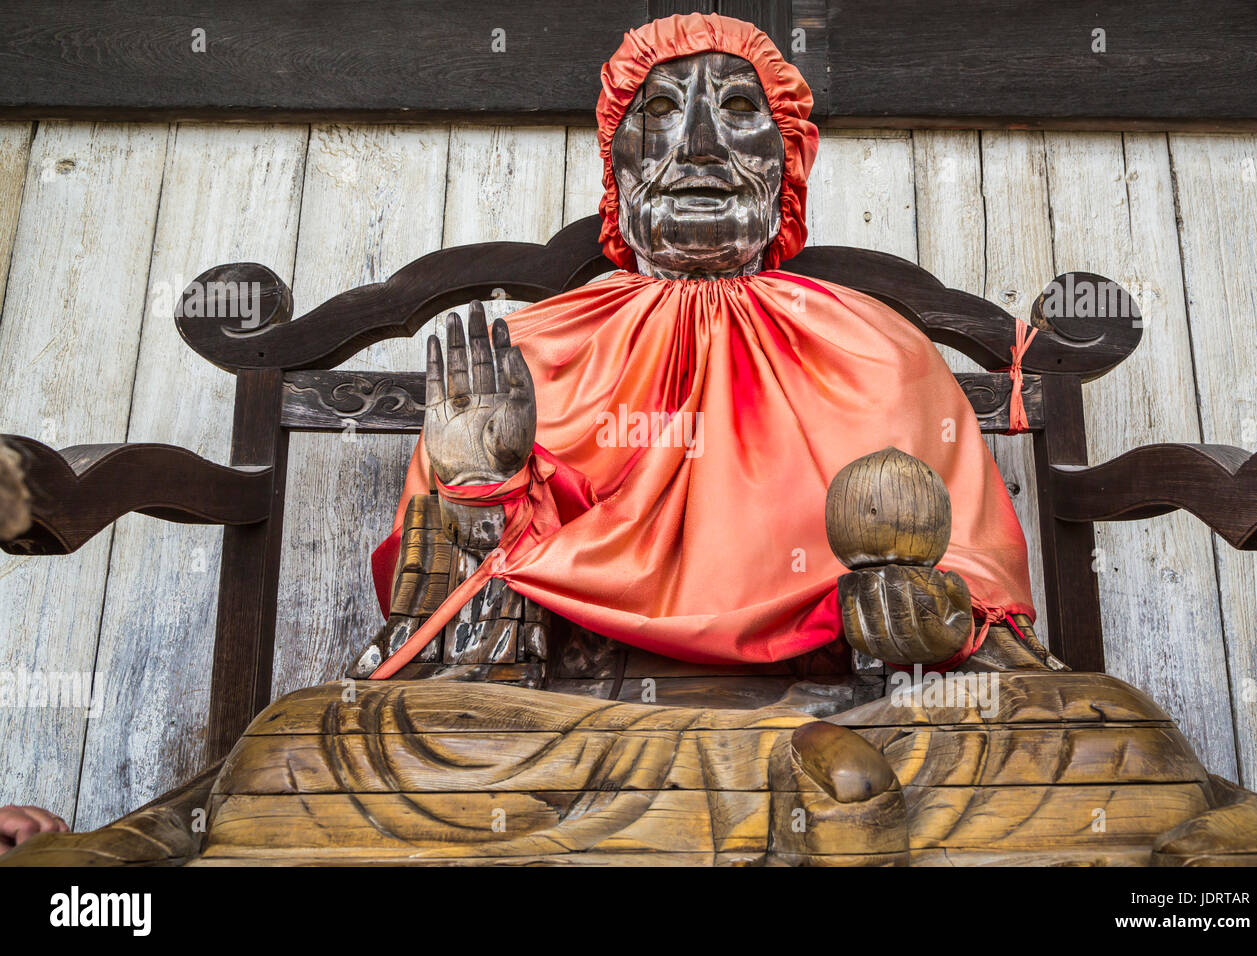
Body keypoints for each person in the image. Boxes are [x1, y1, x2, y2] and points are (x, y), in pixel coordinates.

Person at [354, 12, 1037, 681]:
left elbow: (973, 598)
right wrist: (480, 497)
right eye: (658, 112)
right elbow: (450, 644)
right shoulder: (527, 358)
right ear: (614, 164)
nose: (699, 144)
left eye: (740, 107)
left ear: (788, 157)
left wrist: (927, 616)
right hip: (578, 719)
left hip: (828, 722)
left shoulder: (878, 352)